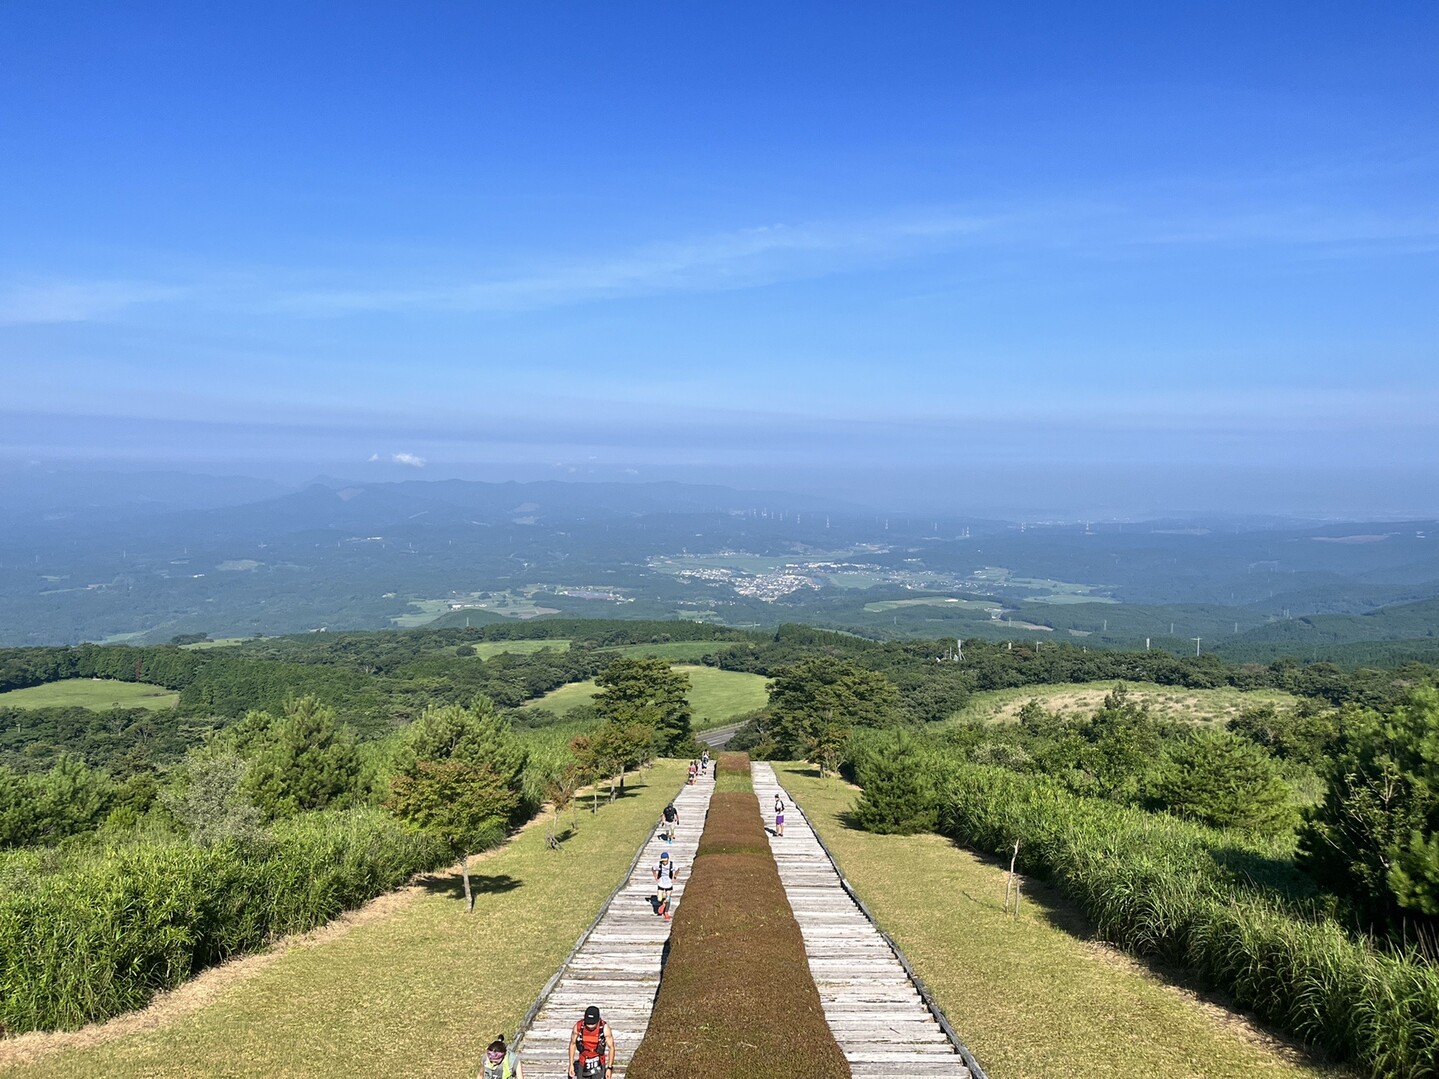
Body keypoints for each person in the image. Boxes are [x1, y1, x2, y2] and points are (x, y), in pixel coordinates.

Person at [569, 1005, 614, 1079]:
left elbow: (611, 1048)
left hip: (598, 1062)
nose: (590, 1026)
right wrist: (571, 1064)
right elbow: (572, 1044)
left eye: (593, 1024)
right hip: (583, 1061)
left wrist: (609, 1068)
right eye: (588, 1023)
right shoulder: (578, 1027)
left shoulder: (604, 1028)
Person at [652, 849, 681, 920]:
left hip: (669, 884)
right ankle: (663, 903)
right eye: (663, 861)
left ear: (668, 859)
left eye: (665, 860)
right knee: (659, 898)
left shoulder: (672, 865)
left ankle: (666, 912)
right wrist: (655, 877)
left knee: (668, 898)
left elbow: (677, 869)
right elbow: (653, 869)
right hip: (661, 883)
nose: (664, 862)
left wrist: (674, 877)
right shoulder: (658, 864)